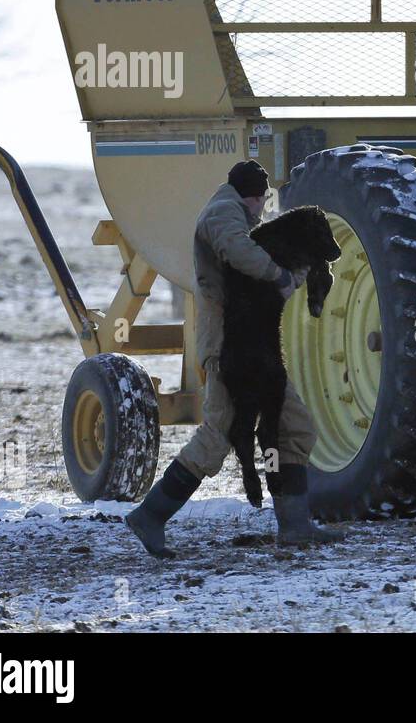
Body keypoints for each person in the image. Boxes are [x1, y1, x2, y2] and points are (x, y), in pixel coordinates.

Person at [125, 160, 343, 558]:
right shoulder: (224, 212)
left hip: (249, 344)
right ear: (255, 197)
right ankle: (150, 515)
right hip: (229, 345)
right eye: (261, 203)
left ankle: (294, 525)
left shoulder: (229, 209)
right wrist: (279, 275)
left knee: (295, 426)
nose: (262, 212)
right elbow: (236, 247)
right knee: (218, 433)